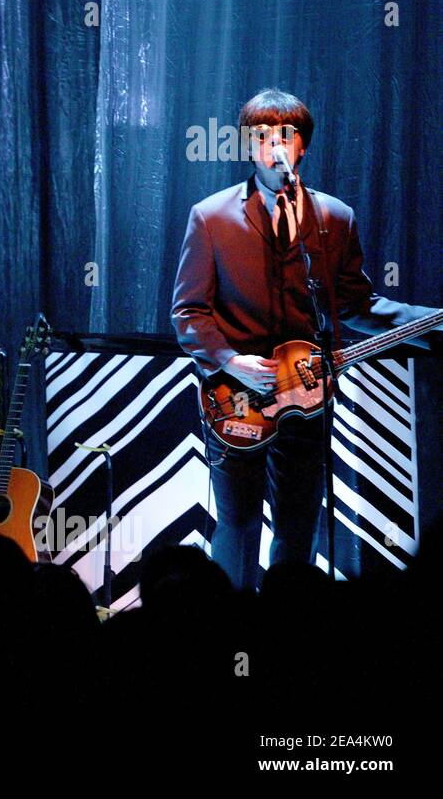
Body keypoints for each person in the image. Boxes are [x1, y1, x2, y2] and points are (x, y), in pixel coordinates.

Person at [170, 89, 440, 591]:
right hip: (237, 402)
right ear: (249, 146)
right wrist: (230, 359)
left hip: (310, 399)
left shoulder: (333, 217)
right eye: (264, 137)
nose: (275, 148)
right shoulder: (211, 216)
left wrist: (431, 321)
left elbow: (358, 305)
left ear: (303, 149)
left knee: (298, 526)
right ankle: (228, 636)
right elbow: (188, 312)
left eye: (286, 138)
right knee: (240, 523)